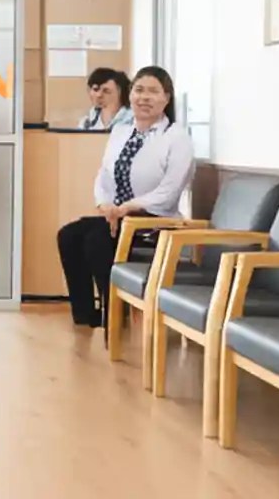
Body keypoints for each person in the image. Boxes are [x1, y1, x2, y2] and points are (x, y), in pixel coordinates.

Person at [56, 66, 195, 329]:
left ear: (167, 98)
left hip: (154, 222)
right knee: (69, 235)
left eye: (153, 91)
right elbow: (104, 175)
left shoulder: (177, 137)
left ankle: (115, 312)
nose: (144, 97)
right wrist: (105, 204)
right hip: (118, 217)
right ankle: (86, 314)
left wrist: (127, 208)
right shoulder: (121, 132)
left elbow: (169, 192)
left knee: (97, 239)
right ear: (130, 95)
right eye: (139, 90)